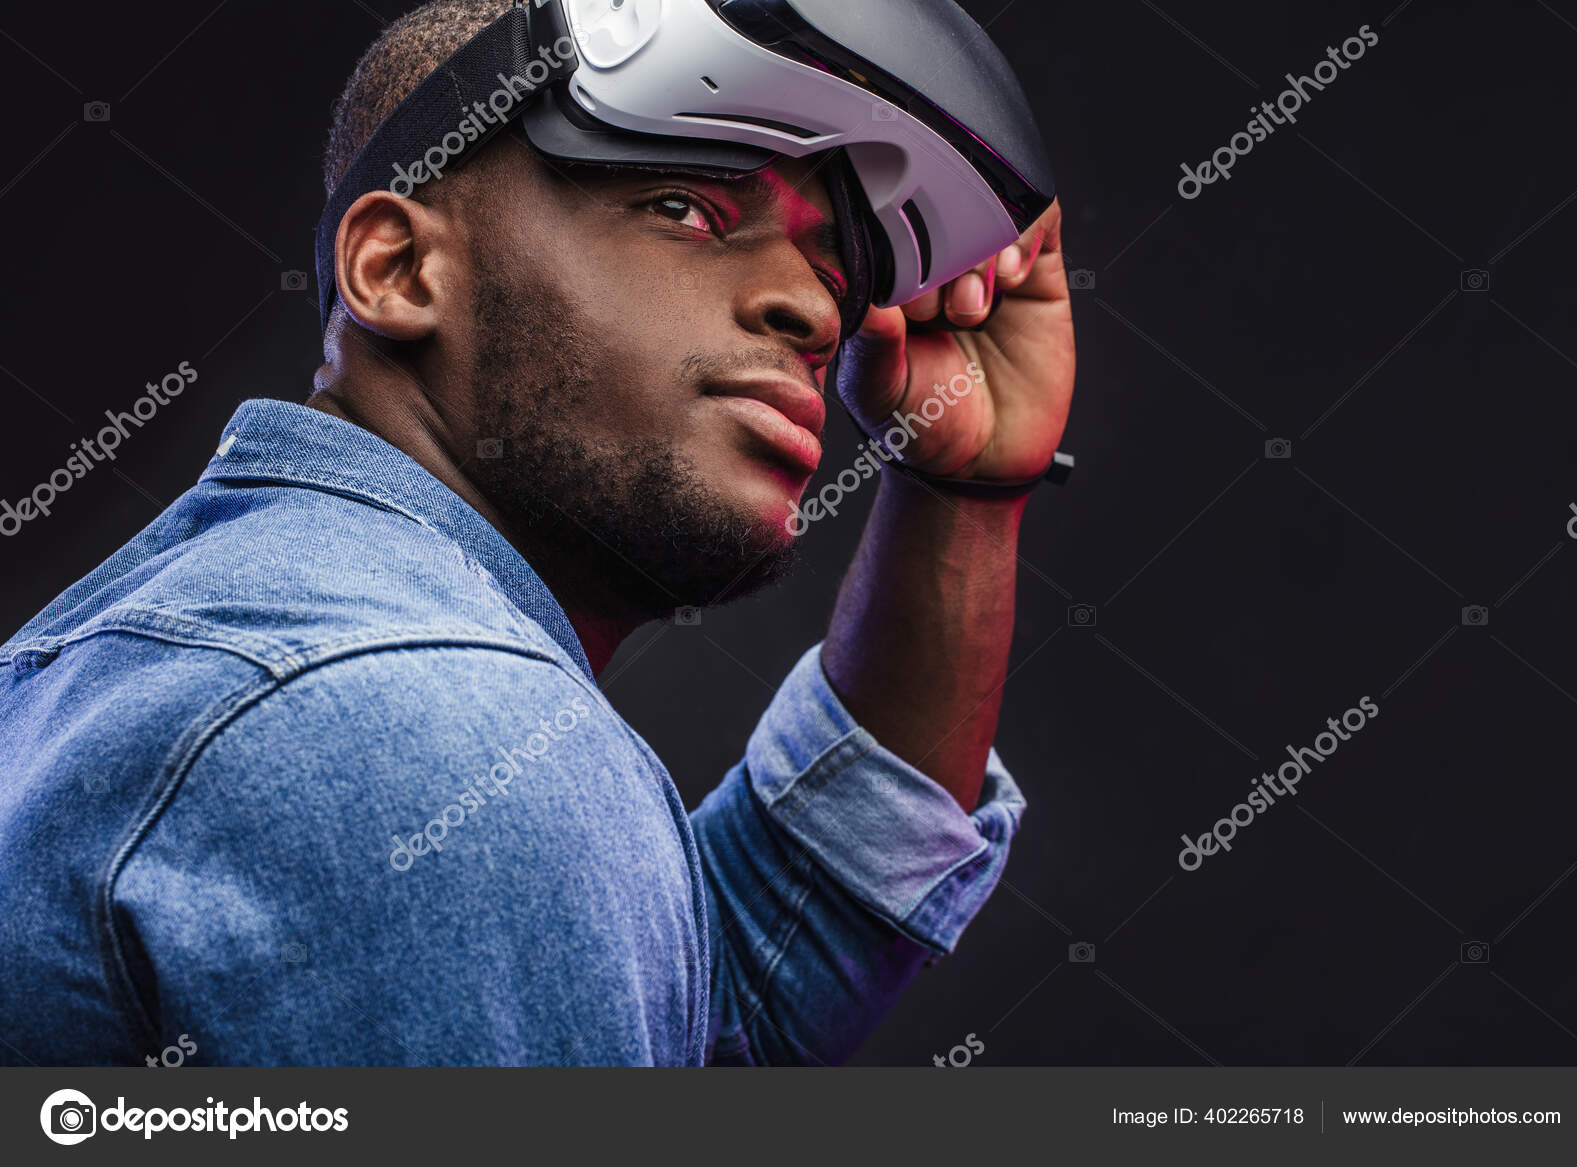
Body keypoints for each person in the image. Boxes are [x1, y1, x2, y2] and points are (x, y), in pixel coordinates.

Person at [0, 0, 1074, 1065]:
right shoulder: (407, 722)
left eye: (835, 275)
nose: (816, 313)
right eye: (686, 208)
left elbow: (715, 1012)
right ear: (398, 269)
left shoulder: (241, 650)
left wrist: (958, 492)